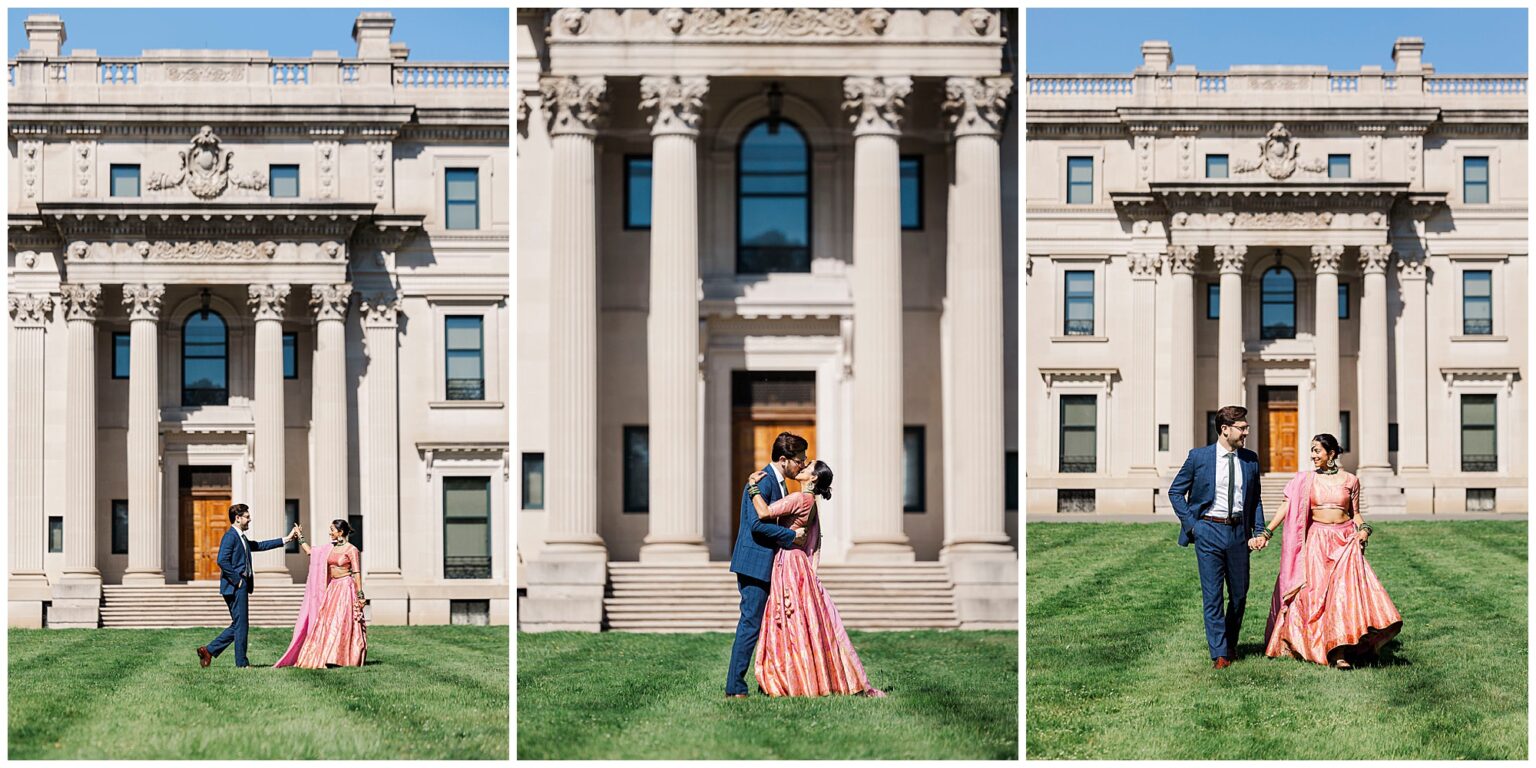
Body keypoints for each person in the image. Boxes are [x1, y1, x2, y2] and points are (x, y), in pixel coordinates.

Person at [1259, 434, 1403, 668]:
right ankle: (1305, 643)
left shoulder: (1351, 480)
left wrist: (1364, 530)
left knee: (1342, 596)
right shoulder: (1306, 480)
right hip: (1316, 542)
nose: (1313, 455)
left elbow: (1355, 514)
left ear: (1332, 453)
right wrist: (1268, 531)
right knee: (1313, 595)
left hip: (1345, 541)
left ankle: (1340, 653)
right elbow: (1286, 506)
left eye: (1317, 451)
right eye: (1312, 451)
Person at [746, 461, 884, 697]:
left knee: (791, 619)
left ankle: (794, 678)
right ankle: (808, 674)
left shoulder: (800, 499)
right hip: (798, 561)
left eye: (808, 466)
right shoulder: (811, 503)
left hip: (789, 561)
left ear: (813, 479)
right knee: (802, 618)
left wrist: (752, 488)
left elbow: (764, 513)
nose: (803, 466)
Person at [1167, 405, 1266, 669]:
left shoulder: (1250, 459)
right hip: (1208, 530)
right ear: (1225, 429)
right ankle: (1220, 653)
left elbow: (1255, 499)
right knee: (1212, 595)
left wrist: (1258, 530)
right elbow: (1175, 492)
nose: (1247, 432)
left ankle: (1230, 642)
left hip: (1238, 533)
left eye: (1246, 427)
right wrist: (1193, 526)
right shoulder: (1199, 458)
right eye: (1242, 428)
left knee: (1240, 594)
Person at [724, 432, 808, 698]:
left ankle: (771, 681)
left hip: (770, 563)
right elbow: (757, 524)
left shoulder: (780, 482)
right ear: (783, 460)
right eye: (799, 461)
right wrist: (791, 536)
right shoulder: (763, 481)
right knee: (751, 624)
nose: (802, 465)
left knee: (770, 625)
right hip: (754, 564)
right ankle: (735, 687)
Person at [197, 503, 300, 668]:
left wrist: (286, 539)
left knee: (239, 625)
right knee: (241, 625)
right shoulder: (230, 536)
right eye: (247, 516)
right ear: (238, 518)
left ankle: (208, 650)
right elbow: (222, 560)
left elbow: (259, 545)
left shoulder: (241, 537)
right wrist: (237, 580)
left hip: (239, 585)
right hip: (235, 586)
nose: (249, 519)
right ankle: (241, 663)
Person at [281, 519, 368, 669]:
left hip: (346, 588)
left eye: (332, 529)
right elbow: (310, 552)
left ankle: (342, 657)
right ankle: (327, 655)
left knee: (342, 622)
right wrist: (300, 537)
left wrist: (360, 595)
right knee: (327, 623)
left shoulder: (351, 550)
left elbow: (357, 573)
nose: (330, 532)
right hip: (332, 588)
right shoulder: (329, 548)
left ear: (340, 532)